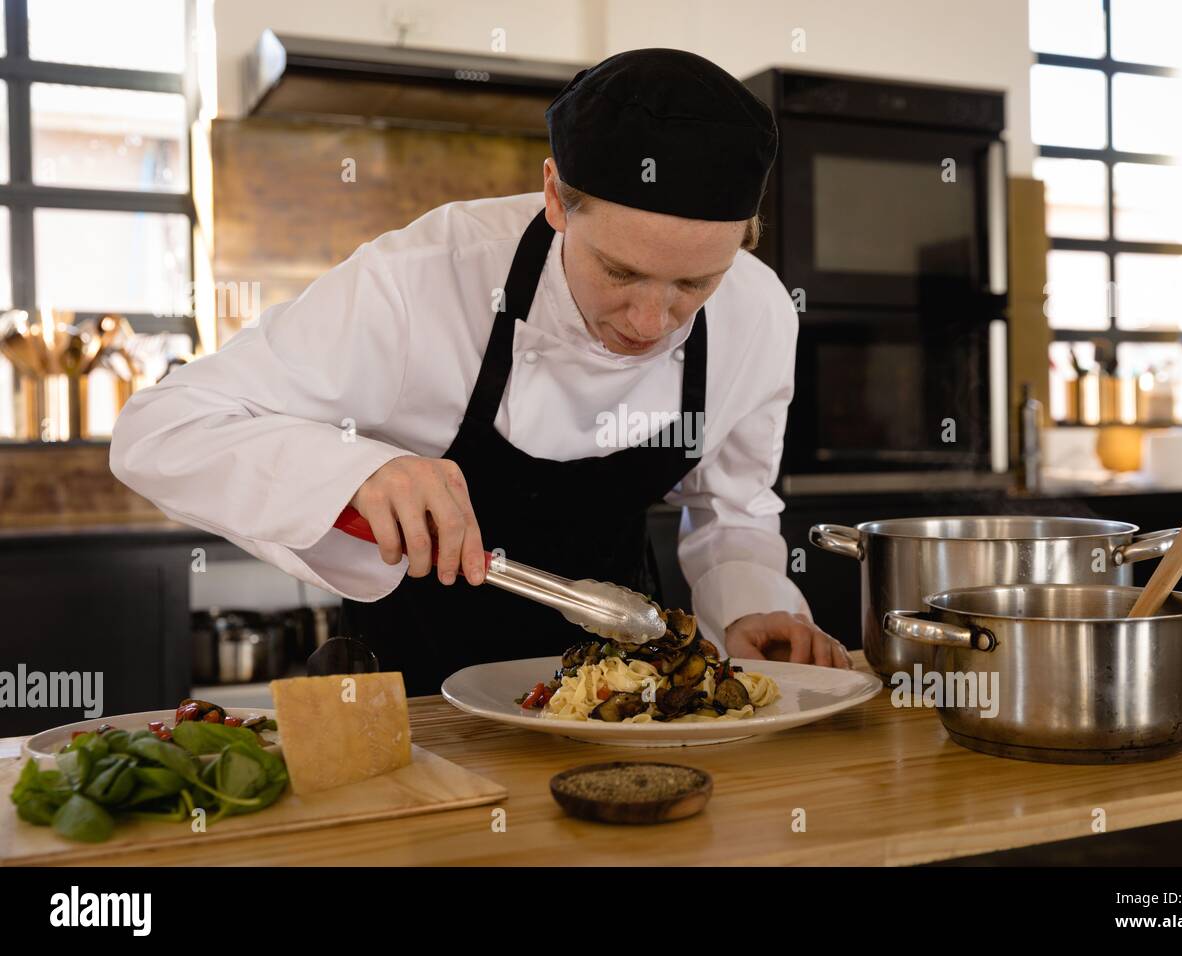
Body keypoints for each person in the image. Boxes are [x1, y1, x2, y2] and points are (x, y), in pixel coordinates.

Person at [111, 48, 851, 695]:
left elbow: (732, 506)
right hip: (414, 700)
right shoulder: (417, 282)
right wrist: (356, 470)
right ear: (557, 197)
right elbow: (160, 428)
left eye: (694, 286)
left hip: (622, 694)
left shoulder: (757, 311)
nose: (652, 322)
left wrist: (753, 604)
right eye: (621, 272)